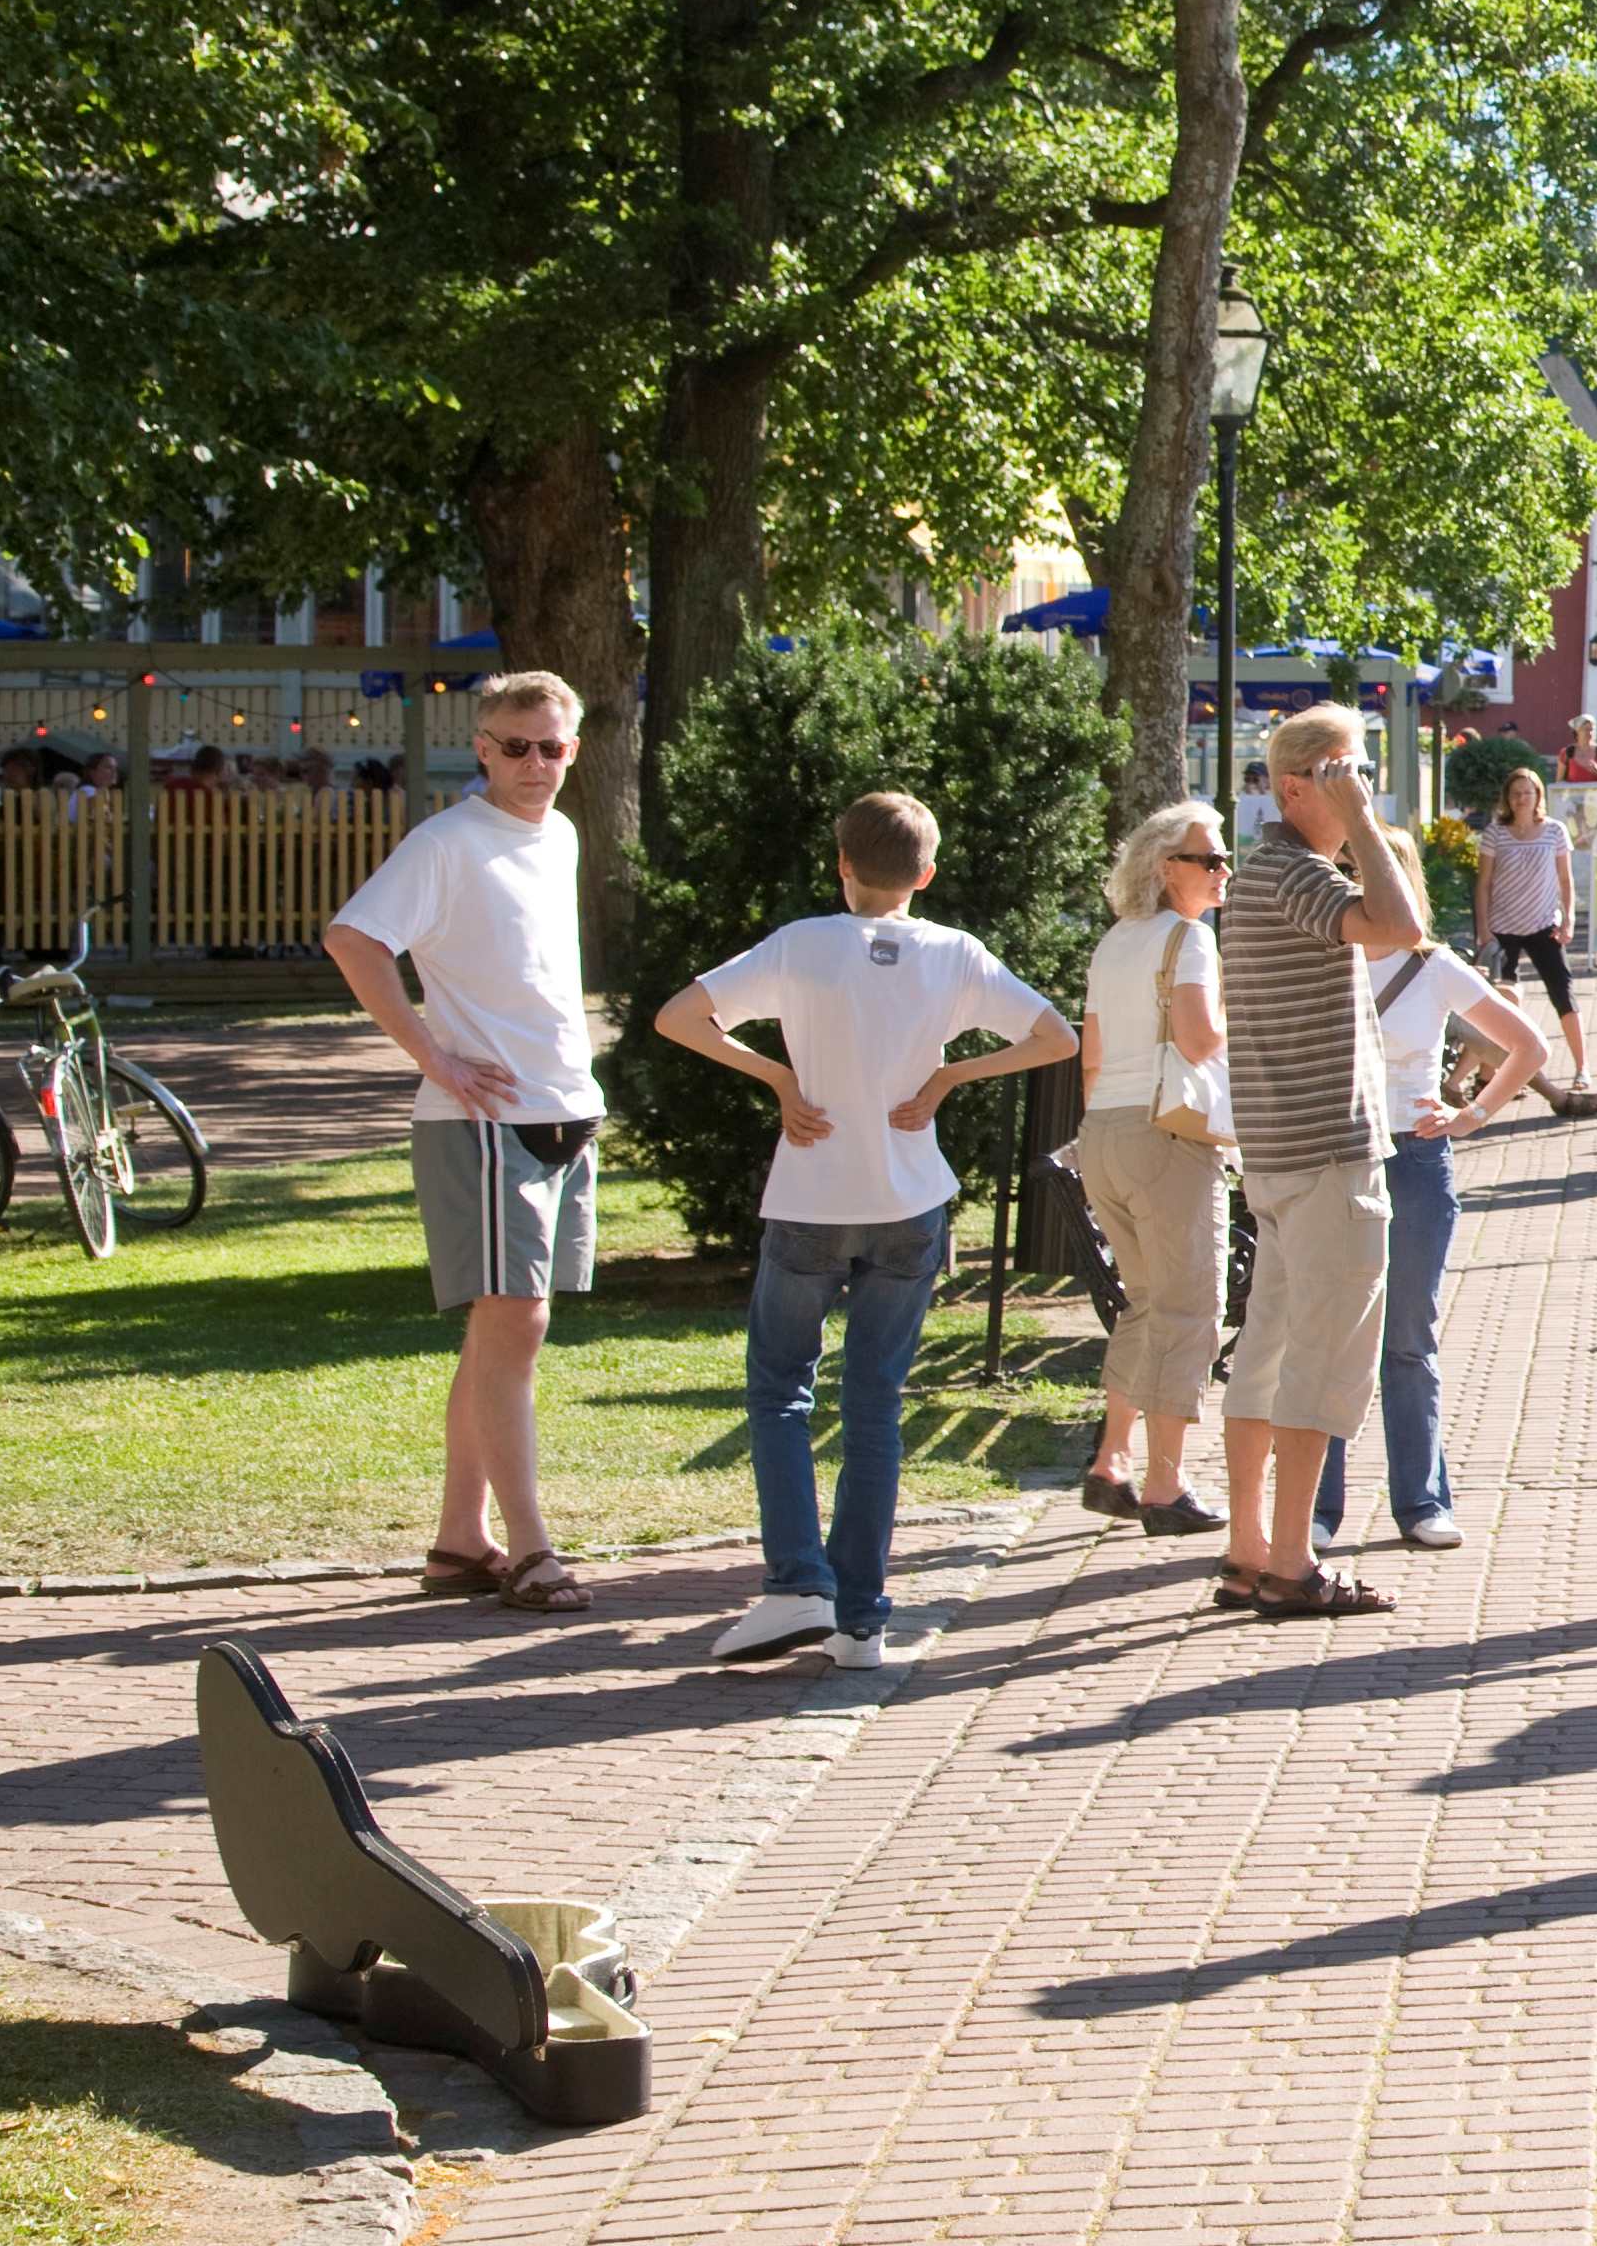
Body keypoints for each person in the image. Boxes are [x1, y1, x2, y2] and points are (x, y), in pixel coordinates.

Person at [650, 790, 1077, 1667]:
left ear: (842, 865)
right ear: (927, 873)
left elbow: (678, 1017)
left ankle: (796, 1585)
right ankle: (860, 1620)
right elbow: (1057, 1038)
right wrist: (948, 1078)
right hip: (910, 1203)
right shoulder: (955, 953)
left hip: (809, 1198)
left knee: (781, 1392)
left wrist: (778, 1078)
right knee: (875, 1402)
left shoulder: (802, 943)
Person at [322, 670, 613, 1619]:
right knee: (515, 1326)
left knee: (502, 1335)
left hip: (565, 1110)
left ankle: (459, 1542)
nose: (535, 764)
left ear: (573, 750)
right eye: (515, 747)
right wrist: (434, 1056)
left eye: (552, 748)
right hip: (482, 1123)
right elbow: (353, 940)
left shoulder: (561, 835)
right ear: (483, 749)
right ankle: (530, 1549)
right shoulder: (445, 842)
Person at [1211, 701, 1437, 1621]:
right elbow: (1403, 925)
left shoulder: (1259, 874)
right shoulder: (1296, 872)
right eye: (1345, 772)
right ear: (1296, 786)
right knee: (1323, 1359)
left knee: (1266, 1355)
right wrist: (1367, 827)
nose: (1360, 789)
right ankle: (1293, 1562)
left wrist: (1351, 817)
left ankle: (1248, 1550)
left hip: (1278, 1153)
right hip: (1325, 1155)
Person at [1309, 931, 1548, 1556]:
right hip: (1336, 1155)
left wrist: (1471, 1115)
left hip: (1413, 1157)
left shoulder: (1432, 965)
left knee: (1408, 1337)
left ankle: (1423, 1503)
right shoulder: (1322, 954)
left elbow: (1529, 1045)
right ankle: (1316, 1508)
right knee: (1330, 1335)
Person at [1070, 802, 1237, 1535]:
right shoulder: (1189, 938)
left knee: (1145, 1301)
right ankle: (1167, 1483)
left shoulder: (1115, 941)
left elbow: (1093, 1055)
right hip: (1166, 1135)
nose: (1224, 870)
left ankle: (1113, 1461)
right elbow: (1199, 1041)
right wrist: (1244, 1024)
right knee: (1189, 1308)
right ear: (1168, 869)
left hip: (1106, 1131)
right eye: (1211, 859)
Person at [1473, 762, 1592, 1100]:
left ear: (1538, 796)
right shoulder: (1495, 832)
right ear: (1507, 798)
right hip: (1502, 927)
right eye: (1516, 793)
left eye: (1528, 793)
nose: (1522, 799)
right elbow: (1483, 883)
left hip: (1543, 925)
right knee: (1499, 1003)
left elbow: (1565, 880)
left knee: (1563, 994)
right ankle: (1491, 1076)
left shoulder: (1554, 831)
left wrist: (1568, 919)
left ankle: (1582, 1067)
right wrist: (1483, 929)